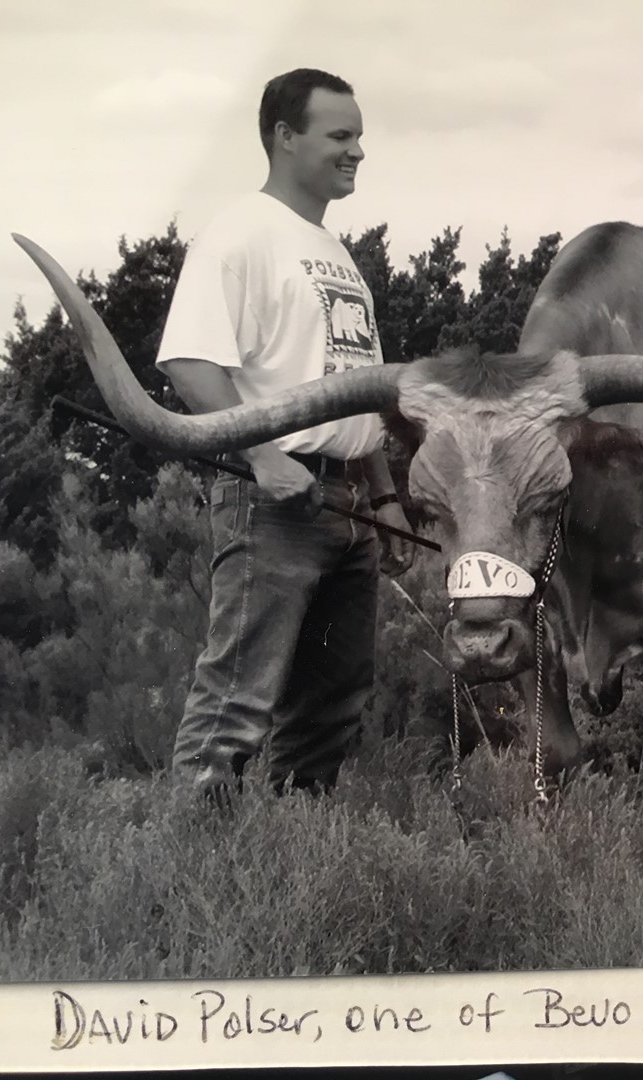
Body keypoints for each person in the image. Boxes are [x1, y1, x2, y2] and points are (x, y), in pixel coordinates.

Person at [154, 67, 416, 801]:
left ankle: (288, 873)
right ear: (284, 136)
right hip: (274, 504)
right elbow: (190, 362)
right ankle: (190, 883)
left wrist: (384, 499)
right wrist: (263, 456)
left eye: (359, 136)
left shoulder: (337, 256)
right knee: (235, 707)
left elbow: (350, 391)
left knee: (330, 714)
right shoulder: (240, 235)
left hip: (347, 509)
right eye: (340, 135)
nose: (357, 150)